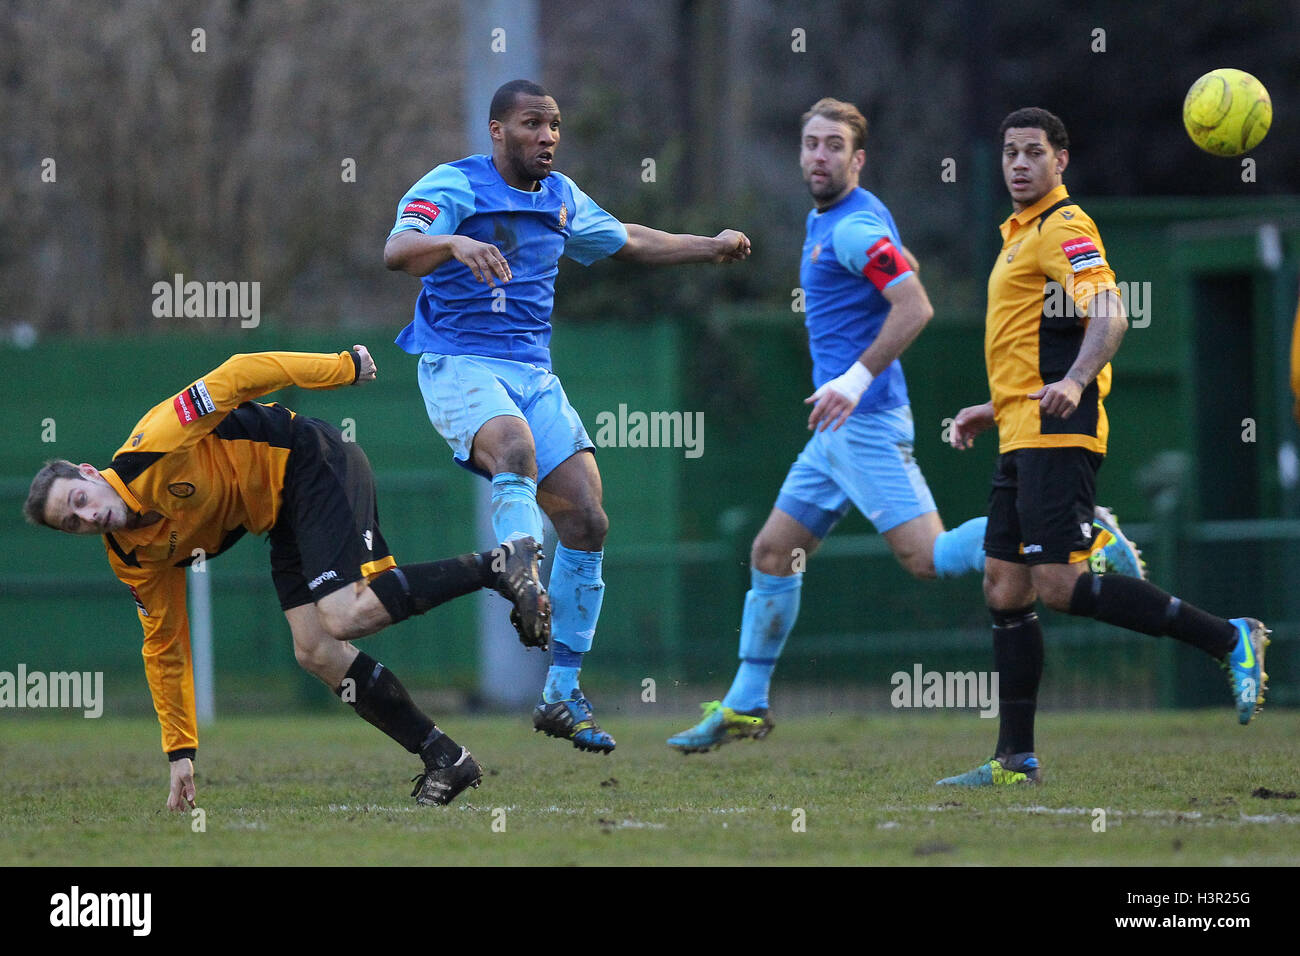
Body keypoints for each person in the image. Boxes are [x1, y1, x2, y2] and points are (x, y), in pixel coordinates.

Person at [665, 98, 1145, 754]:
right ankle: (746, 705)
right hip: (832, 431)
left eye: (834, 145)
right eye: (810, 143)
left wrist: (853, 379)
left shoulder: (852, 229)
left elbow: (914, 305)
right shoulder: (844, 217)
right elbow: (904, 265)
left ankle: (1080, 534)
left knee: (930, 558)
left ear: (857, 159)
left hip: (861, 422)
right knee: (773, 552)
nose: (818, 156)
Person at [384, 79, 751, 754]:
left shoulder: (561, 198)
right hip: (458, 364)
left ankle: (560, 693)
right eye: (532, 124)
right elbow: (397, 251)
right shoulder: (453, 185)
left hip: (531, 373)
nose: (547, 137)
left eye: (554, 125)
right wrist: (455, 246)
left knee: (587, 518)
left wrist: (709, 245)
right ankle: (519, 569)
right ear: (497, 131)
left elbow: (629, 241)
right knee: (514, 449)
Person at [23, 347, 551, 809]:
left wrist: (341, 368)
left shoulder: (154, 444)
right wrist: (180, 752)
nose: (87, 518)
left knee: (346, 611)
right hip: (280, 518)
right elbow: (164, 644)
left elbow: (242, 372)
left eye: (79, 501)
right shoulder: (131, 556)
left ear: (89, 475)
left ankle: (501, 565)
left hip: (309, 460)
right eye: (72, 523)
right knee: (317, 652)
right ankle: (446, 757)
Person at [939, 107, 1270, 786]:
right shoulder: (1016, 234)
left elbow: (1111, 312)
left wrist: (1076, 377)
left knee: (1057, 588)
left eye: (1034, 152)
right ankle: (1014, 759)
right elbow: (1030, 349)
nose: (1019, 163)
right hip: (1024, 429)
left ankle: (1228, 636)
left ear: (1062, 160)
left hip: (1061, 431)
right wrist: (992, 408)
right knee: (1005, 586)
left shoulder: (1065, 226)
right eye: (1009, 153)